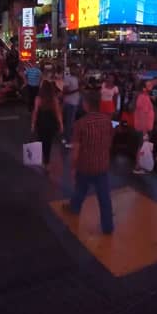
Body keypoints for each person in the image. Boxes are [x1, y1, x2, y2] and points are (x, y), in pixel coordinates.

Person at [68, 91, 115, 235]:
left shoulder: (80, 124)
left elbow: (76, 149)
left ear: (86, 105)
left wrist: (73, 167)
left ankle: (74, 208)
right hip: (102, 165)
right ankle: (108, 227)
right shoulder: (107, 121)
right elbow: (110, 142)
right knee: (104, 198)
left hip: (85, 165)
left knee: (80, 190)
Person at [29, 80, 63, 177]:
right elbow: (58, 112)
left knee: (41, 141)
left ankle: (42, 160)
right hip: (51, 123)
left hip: (41, 122)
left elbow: (35, 112)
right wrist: (61, 124)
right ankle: (47, 163)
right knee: (48, 143)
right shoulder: (54, 98)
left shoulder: (38, 98)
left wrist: (33, 124)